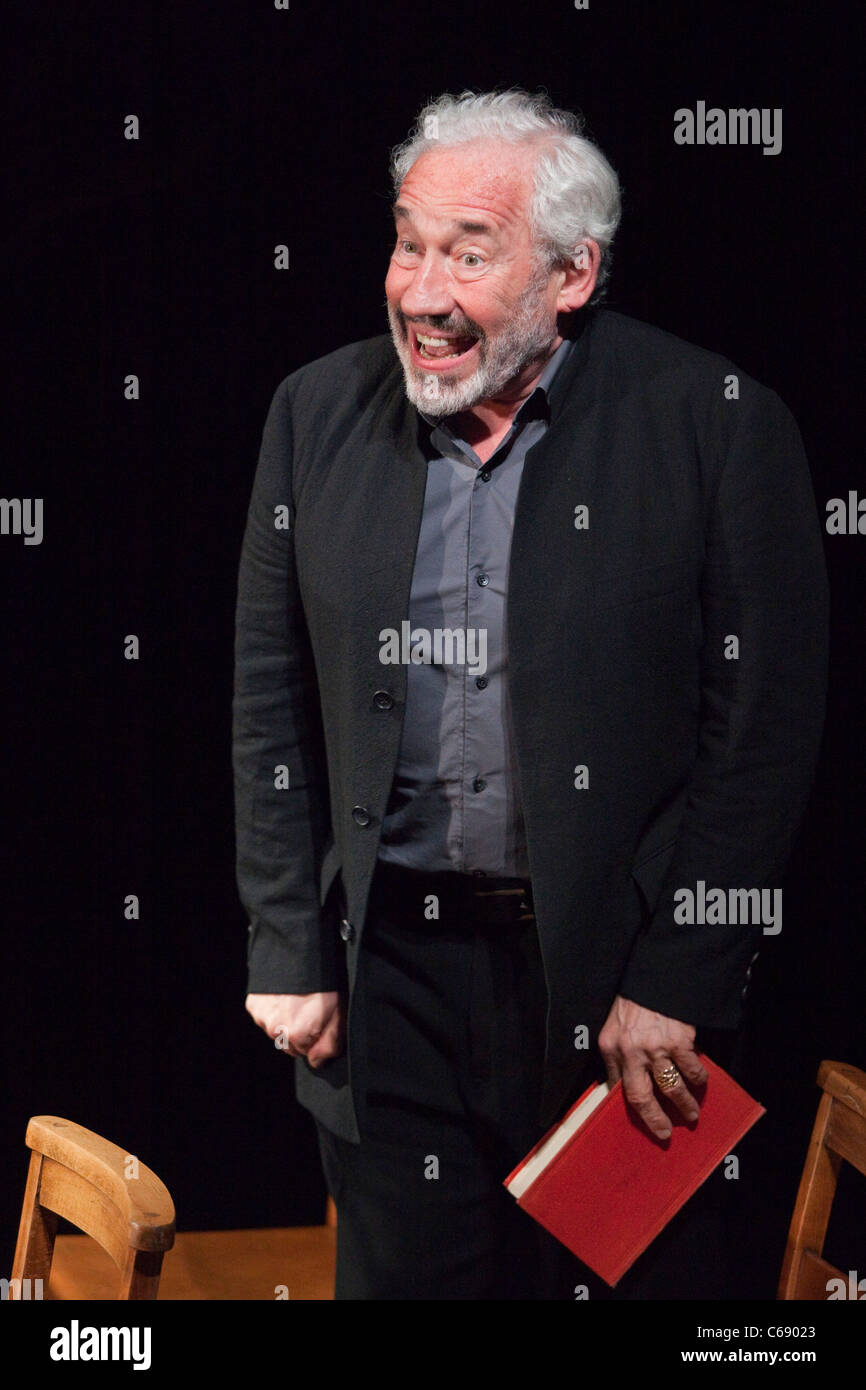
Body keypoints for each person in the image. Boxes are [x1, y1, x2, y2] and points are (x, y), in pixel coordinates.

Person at [233, 89, 828, 1300]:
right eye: (407, 243)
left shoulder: (714, 427)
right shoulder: (312, 414)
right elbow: (266, 695)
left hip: (618, 994)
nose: (418, 292)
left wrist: (679, 976)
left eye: (467, 253)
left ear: (571, 274)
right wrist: (289, 934)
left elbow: (761, 736)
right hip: (388, 980)